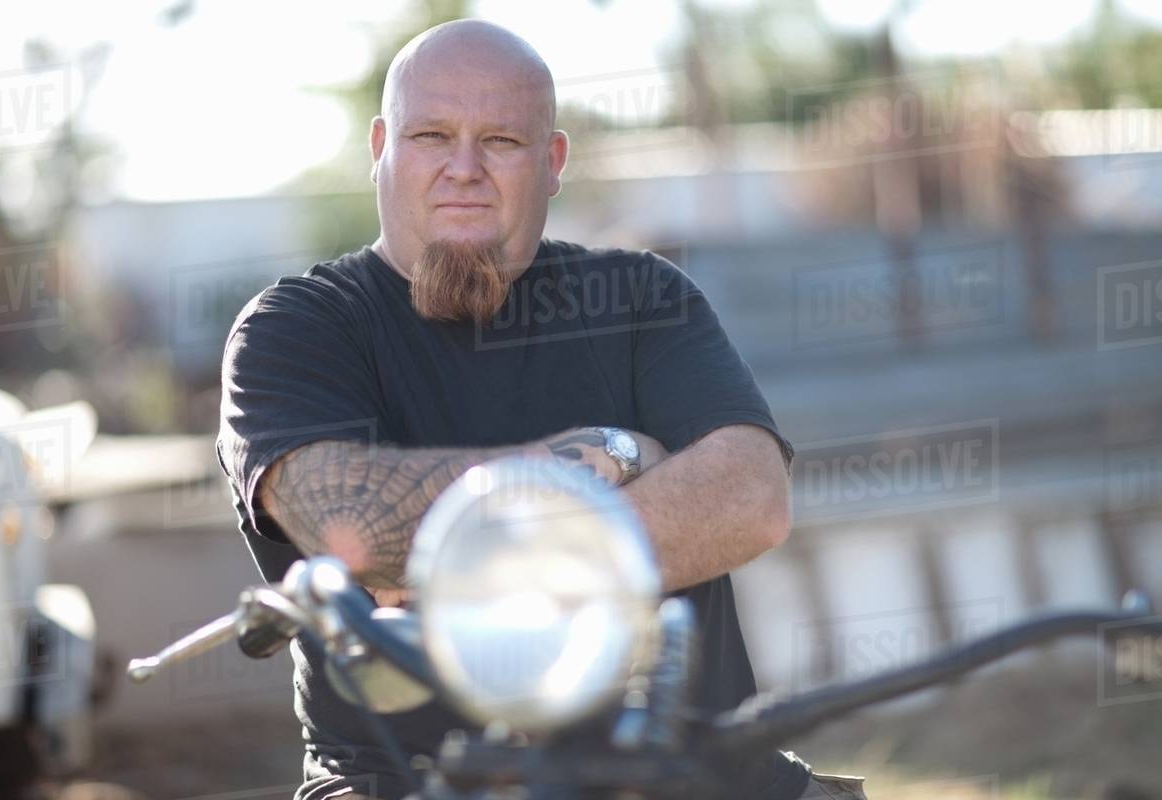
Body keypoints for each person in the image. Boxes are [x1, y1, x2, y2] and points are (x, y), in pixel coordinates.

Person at [216, 18, 865, 800]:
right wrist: (616, 454)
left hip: (687, 774)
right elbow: (351, 522)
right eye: (431, 135)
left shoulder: (641, 300)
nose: (464, 169)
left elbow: (751, 500)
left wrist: (447, 558)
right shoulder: (296, 329)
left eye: (500, 141)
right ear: (381, 146)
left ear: (551, 162)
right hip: (407, 782)